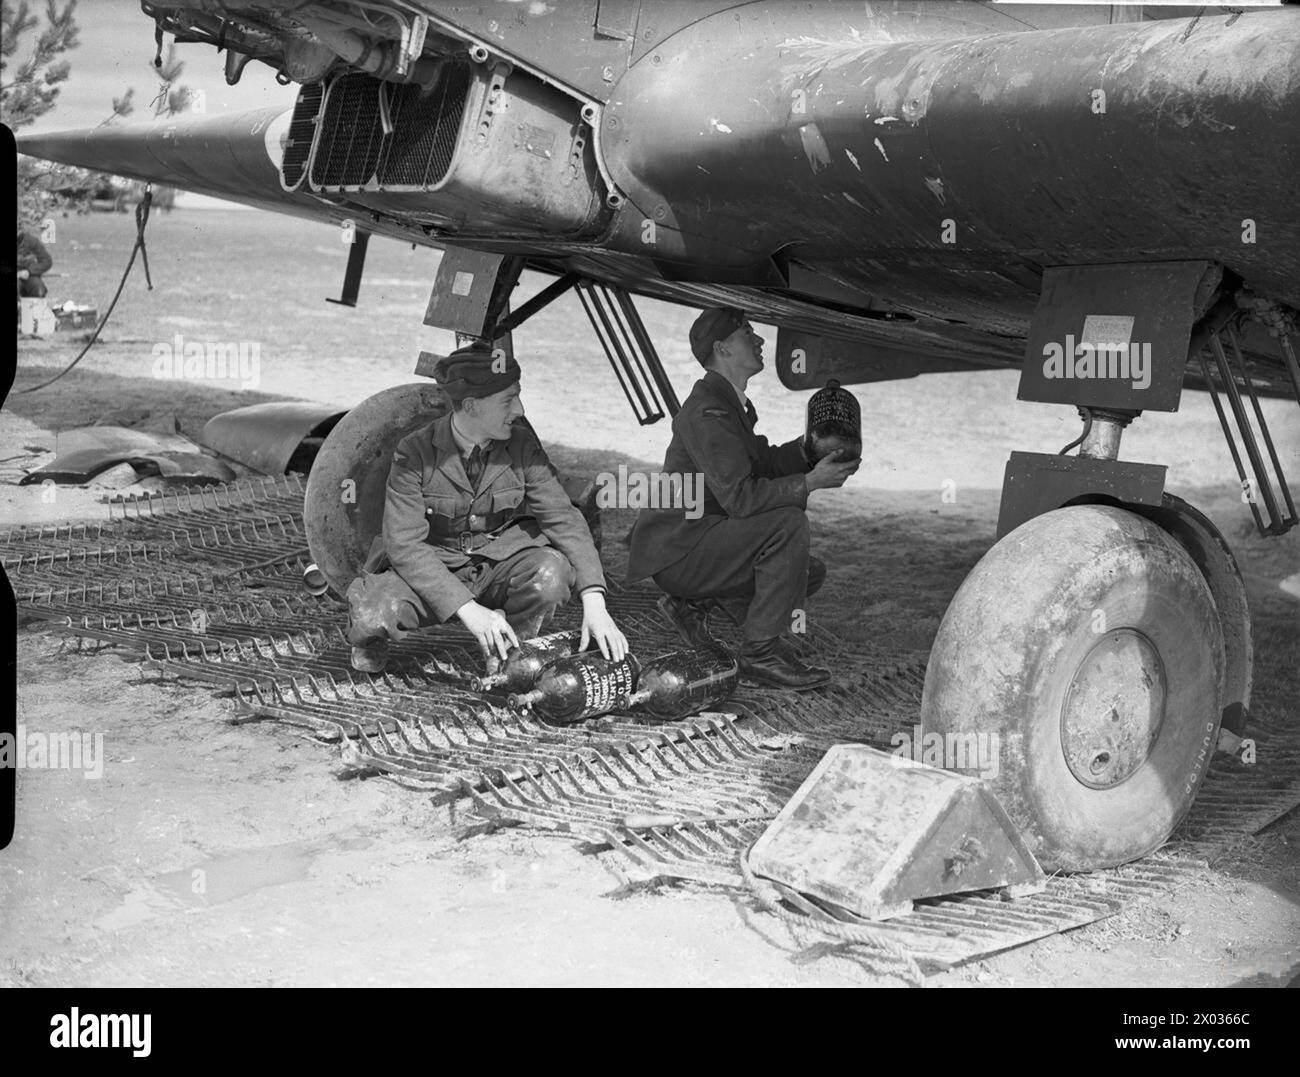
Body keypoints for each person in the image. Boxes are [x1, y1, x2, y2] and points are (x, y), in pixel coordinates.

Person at [345, 343, 627, 674]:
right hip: (437, 566)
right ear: (471, 406)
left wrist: (594, 598)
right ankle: (371, 641)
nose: (519, 409)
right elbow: (404, 545)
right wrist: (468, 609)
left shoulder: (521, 444)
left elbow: (563, 518)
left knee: (552, 573)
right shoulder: (415, 452)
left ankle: (510, 648)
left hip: (497, 566)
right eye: (508, 400)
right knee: (372, 611)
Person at [627, 308, 859, 689]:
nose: (760, 339)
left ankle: (693, 605)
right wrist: (811, 482)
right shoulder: (708, 411)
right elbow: (740, 497)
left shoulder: (725, 402)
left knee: (804, 571)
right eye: (747, 332)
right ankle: (760, 653)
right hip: (679, 553)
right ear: (722, 348)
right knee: (788, 525)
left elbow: (760, 462)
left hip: (695, 539)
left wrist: (808, 450)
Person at [17, 226, 53, 298]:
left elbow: (47, 261)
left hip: (30, 276)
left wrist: (29, 271)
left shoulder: (32, 241)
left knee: (39, 289)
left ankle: (35, 308)